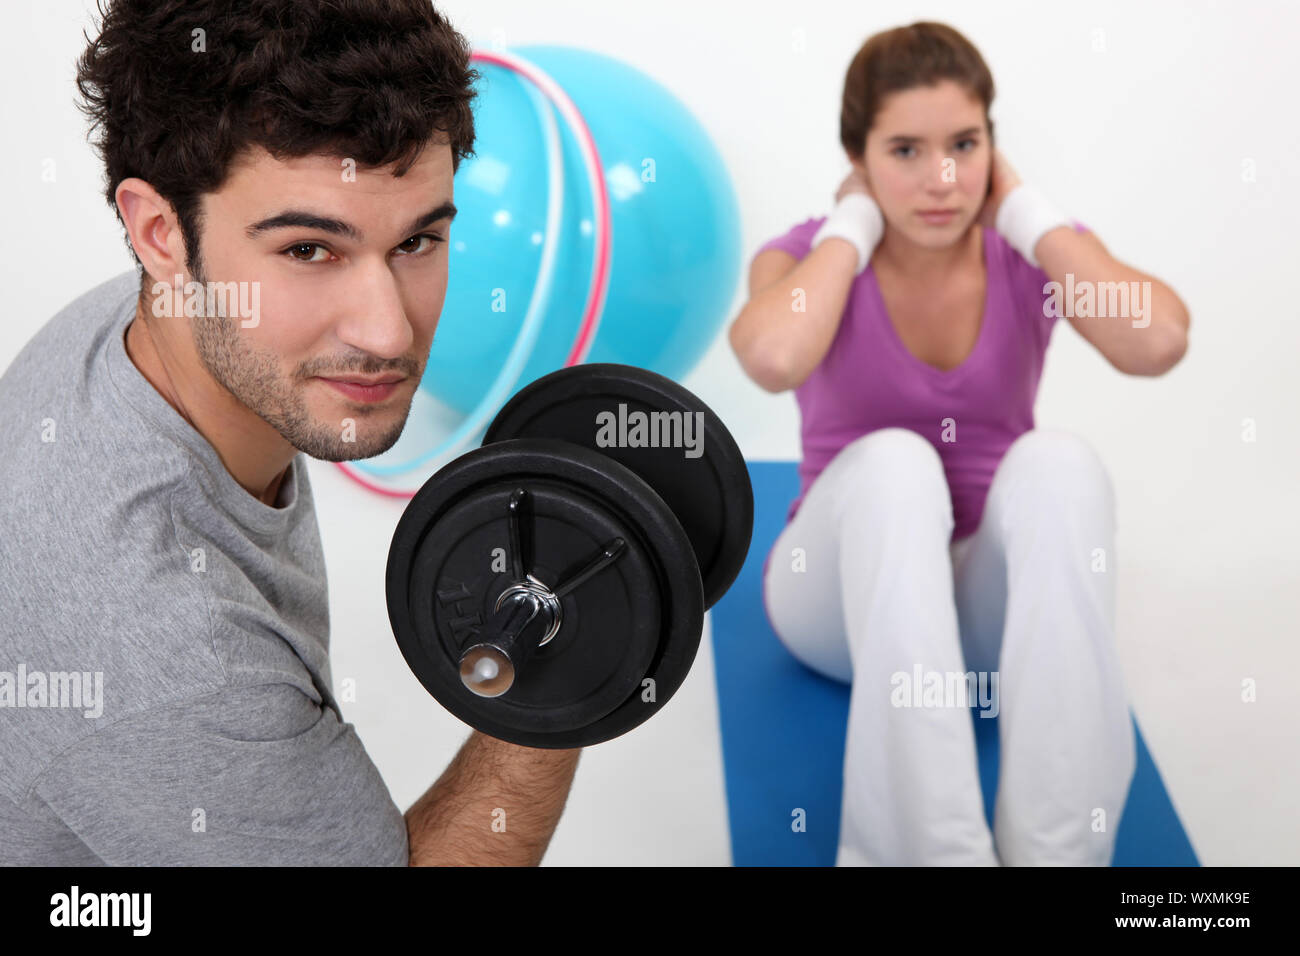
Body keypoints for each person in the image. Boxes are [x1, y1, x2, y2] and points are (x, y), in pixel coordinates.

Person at [0, 0, 579, 865]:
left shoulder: (139, 323)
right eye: (311, 250)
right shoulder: (178, 663)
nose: (387, 334)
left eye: (418, 240)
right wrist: (580, 648)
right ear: (160, 232)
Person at [728, 21, 1190, 866]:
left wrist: (1027, 213)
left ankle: (1059, 853)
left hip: (977, 612)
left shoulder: (1030, 252)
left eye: (964, 145)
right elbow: (771, 354)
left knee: (1062, 464)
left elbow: (1156, 341)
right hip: (832, 607)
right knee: (897, 463)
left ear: (993, 148)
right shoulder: (808, 256)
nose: (942, 179)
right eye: (905, 150)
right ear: (858, 159)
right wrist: (852, 229)